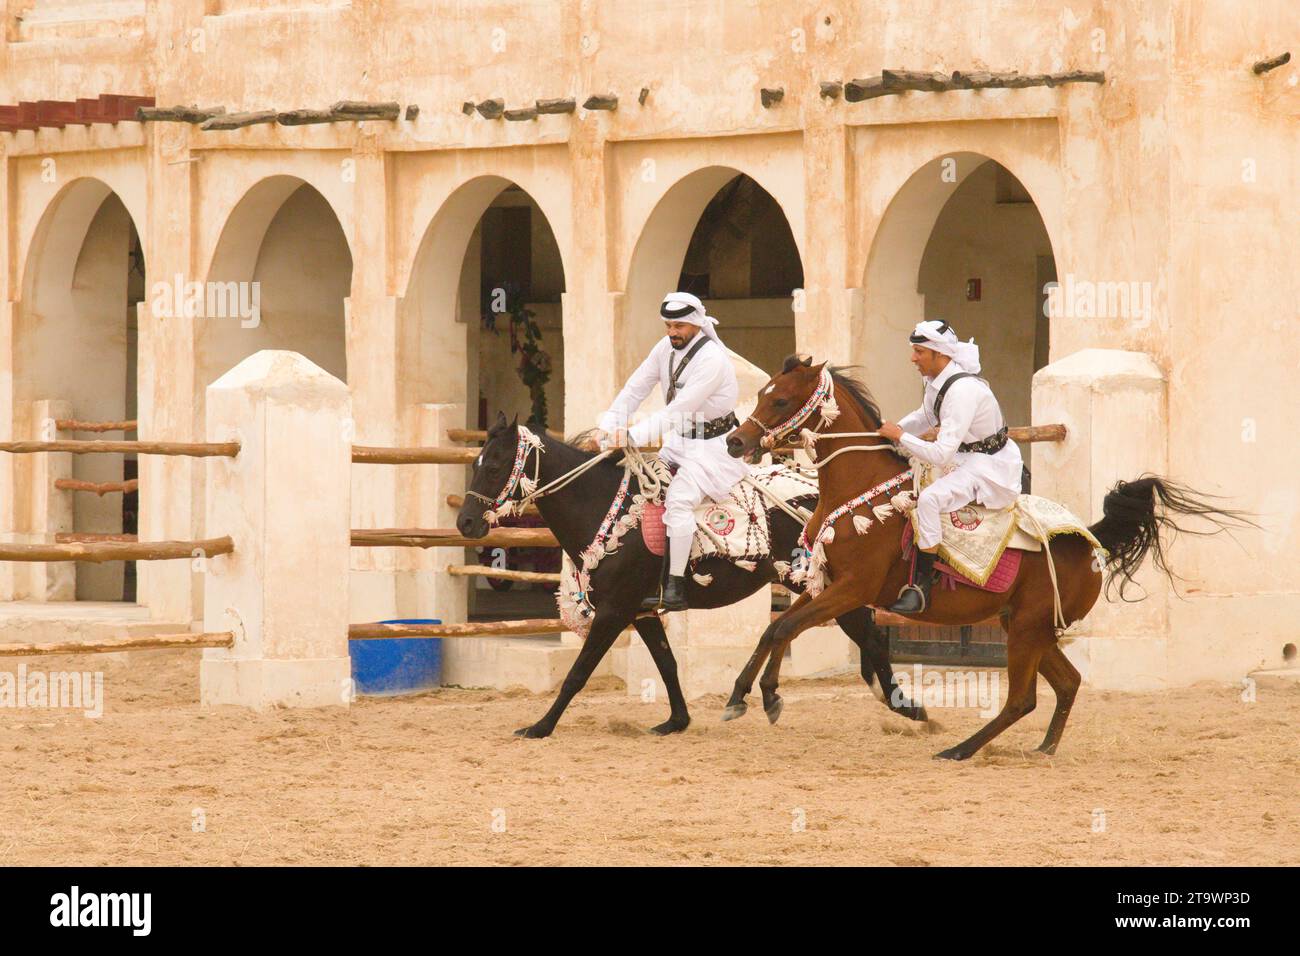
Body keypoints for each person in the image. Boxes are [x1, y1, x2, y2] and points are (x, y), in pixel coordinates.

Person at [594, 292, 748, 611]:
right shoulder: (664, 348)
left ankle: (675, 588)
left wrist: (631, 436)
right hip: (678, 442)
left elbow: (678, 410)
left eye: (678, 325)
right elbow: (635, 388)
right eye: (668, 325)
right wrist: (608, 425)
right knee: (642, 492)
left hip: (712, 449)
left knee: (677, 502)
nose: (672, 332)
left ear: (695, 323)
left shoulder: (712, 360)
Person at [877, 319, 1024, 614]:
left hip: (988, 467)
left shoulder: (963, 392)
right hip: (965, 459)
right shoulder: (936, 381)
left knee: (929, 500)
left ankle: (921, 587)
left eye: (919, 351)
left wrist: (899, 436)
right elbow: (925, 414)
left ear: (939, 354)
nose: (913, 358)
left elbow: (942, 453)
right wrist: (884, 433)